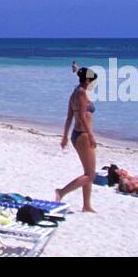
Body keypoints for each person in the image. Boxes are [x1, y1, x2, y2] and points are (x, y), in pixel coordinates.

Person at [56, 66, 99, 212]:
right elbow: (80, 116)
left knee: (88, 171)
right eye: (92, 80)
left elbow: (69, 117)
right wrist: (91, 136)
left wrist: (65, 137)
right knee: (90, 175)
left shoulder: (75, 92)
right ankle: (61, 192)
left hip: (77, 134)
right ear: (87, 80)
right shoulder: (81, 93)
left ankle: (86, 205)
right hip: (83, 136)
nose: (94, 83)